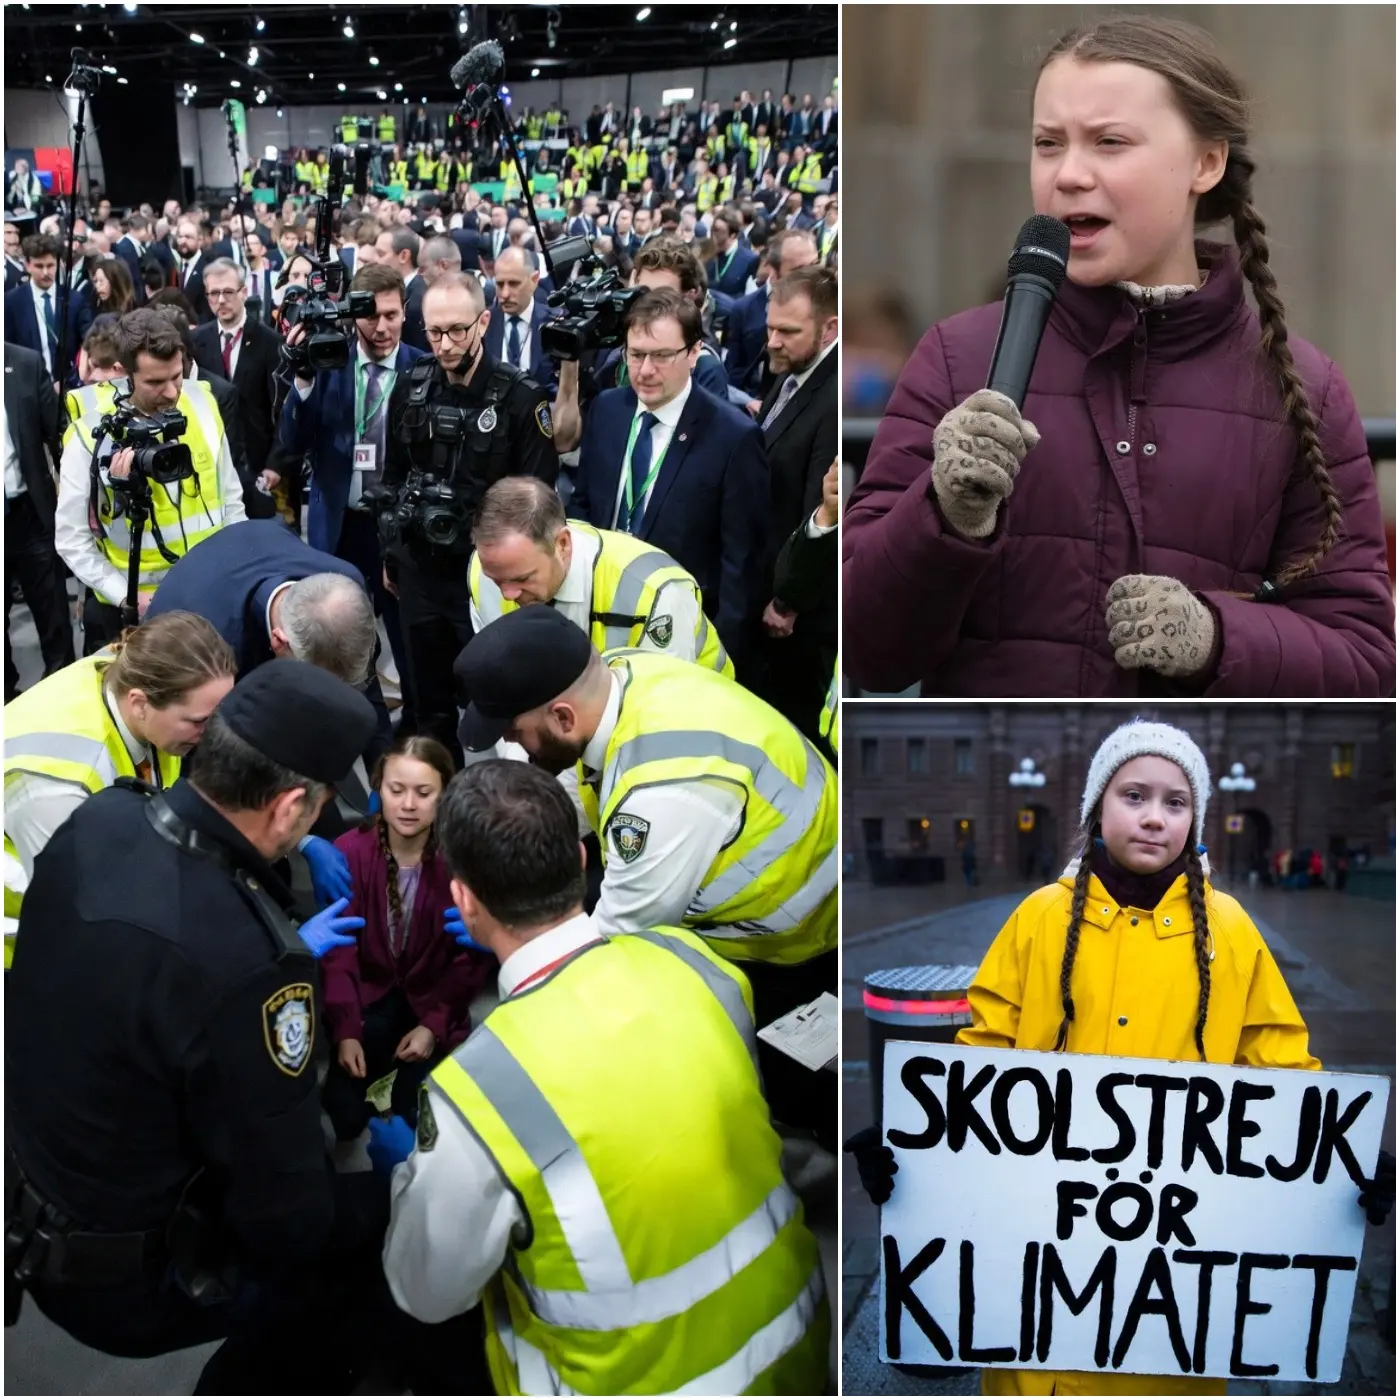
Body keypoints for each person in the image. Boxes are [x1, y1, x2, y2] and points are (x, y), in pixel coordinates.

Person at [843, 14, 1395, 698]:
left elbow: (1365, 663)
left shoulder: (1305, 390)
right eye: (1048, 144)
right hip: (988, 791)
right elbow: (869, 653)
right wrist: (943, 518)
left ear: (1206, 161)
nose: (1069, 174)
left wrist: (1216, 638)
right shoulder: (957, 357)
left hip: (1184, 800)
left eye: (1109, 143)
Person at [846, 718, 1395, 1395]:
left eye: (1176, 801)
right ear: (1096, 808)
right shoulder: (1039, 918)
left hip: (1171, 1331)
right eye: (1134, 795)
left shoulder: (1231, 930)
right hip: (1036, 1327)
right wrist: (916, 1145)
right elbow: (980, 1057)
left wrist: (1342, 1161)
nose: (1155, 818)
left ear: (1196, 818)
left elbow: (1280, 1066)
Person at [4, 660, 400, 1390]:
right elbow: (286, 1214)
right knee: (386, 1237)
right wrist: (411, 1185)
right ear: (287, 809)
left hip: (35, 1202)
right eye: (313, 814)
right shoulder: (247, 968)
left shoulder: (102, 816)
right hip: (135, 1279)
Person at [378, 758, 832, 1394]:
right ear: (583, 864)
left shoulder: (475, 1092)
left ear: (463, 899)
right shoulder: (695, 963)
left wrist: (413, 1179)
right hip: (804, 1352)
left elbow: (426, 1293)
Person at [456, 606, 837, 1142]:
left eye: (518, 732)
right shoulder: (622, 674)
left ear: (564, 717)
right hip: (769, 873)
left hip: (798, 940)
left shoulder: (663, 795)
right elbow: (573, 787)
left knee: (796, 1089)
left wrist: (520, 962)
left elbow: (617, 945)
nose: (517, 746)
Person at [377, 271, 557, 759]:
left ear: (484, 321)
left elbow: (540, 503)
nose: (445, 344)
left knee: (501, 708)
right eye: (434, 332)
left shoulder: (522, 398)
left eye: (457, 330)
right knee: (427, 708)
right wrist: (392, 556)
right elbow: (393, 477)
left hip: (489, 580)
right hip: (419, 574)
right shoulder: (411, 385)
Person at [3, 611, 236, 961]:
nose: (212, 732)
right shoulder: (56, 785)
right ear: (139, 703)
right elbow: (85, 913)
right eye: (200, 721)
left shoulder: (130, 676)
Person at [571, 288, 767, 680]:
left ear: (694, 353)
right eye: (636, 354)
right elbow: (583, 507)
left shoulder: (733, 437)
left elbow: (741, 565)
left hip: (681, 635)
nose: (644, 370)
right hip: (597, 621)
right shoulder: (608, 410)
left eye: (661, 356)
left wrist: (722, 663)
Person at [321, 735, 492, 1142]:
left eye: (424, 792)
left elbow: (470, 961)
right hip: (369, 998)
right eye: (396, 790)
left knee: (418, 1118)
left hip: (434, 999)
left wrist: (433, 1026)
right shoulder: (348, 853)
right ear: (379, 789)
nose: (409, 805)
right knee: (343, 1119)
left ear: (445, 795)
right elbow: (338, 954)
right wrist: (346, 1031)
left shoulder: (463, 860)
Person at [280, 262, 425, 718]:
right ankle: (347, 727)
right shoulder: (328, 364)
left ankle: (418, 731)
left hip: (398, 533)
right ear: (351, 315)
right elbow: (291, 443)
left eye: (391, 315)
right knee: (335, 643)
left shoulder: (423, 368)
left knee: (407, 643)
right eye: (370, 316)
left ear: (404, 311)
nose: (381, 328)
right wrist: (301, 379)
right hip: (339, 529)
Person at [55, 308, 247, 651]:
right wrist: (127, 596)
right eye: (156, 382)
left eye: (177, 376)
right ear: (123, 375)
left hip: (211, 596)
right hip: (135, 611)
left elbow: (231, 502)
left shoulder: (203, 403)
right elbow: (72, 539)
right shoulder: (89, 438)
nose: (173, 392)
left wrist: (233, 576)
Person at [468, 477, 732, 676]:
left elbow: (661, 713)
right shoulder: (483, 572)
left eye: (523, 579)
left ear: (562, 544)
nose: (507, 594)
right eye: (497, 580)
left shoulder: (654, 592)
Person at [752, 266, 839, 741]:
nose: (774, 341)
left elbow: (823, 513)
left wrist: (788, 601)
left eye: (788, 331)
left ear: (830, 328)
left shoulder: (832, 398)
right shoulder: (793, 375)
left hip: (803, 619)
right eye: (770, 328)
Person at [4, 342, 74, 704]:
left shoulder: (25, 364)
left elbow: (60, 433)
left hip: (30, 513)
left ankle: (63, 696)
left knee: (53, 617)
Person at [190, 257, 283, 502]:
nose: (221, 300)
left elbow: (281, 408)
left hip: (258, 464)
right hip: (211, 462)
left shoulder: (269, 342)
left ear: (243, 292)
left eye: (228, 292)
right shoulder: (197, 341)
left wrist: (275, 464)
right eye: (214, 293)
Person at [480, 246, 558, 400]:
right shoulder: (483, 323)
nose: (505, 294)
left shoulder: (555, 323)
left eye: (514, 284)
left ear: (534, 280)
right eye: (500, 284)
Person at [3, 233, 76, 386]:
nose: (45, 273)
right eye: (39, 266)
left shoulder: (74, 299)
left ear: (58, 264)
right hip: (26, 387)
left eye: (50, 266)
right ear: (27, 265)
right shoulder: (11, 302)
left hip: (67, 387)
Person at [375, 225, 427, 352]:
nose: (375, 260)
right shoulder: (405, 290)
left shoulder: (418, 301)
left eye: (381, 254)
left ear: (404, 256)